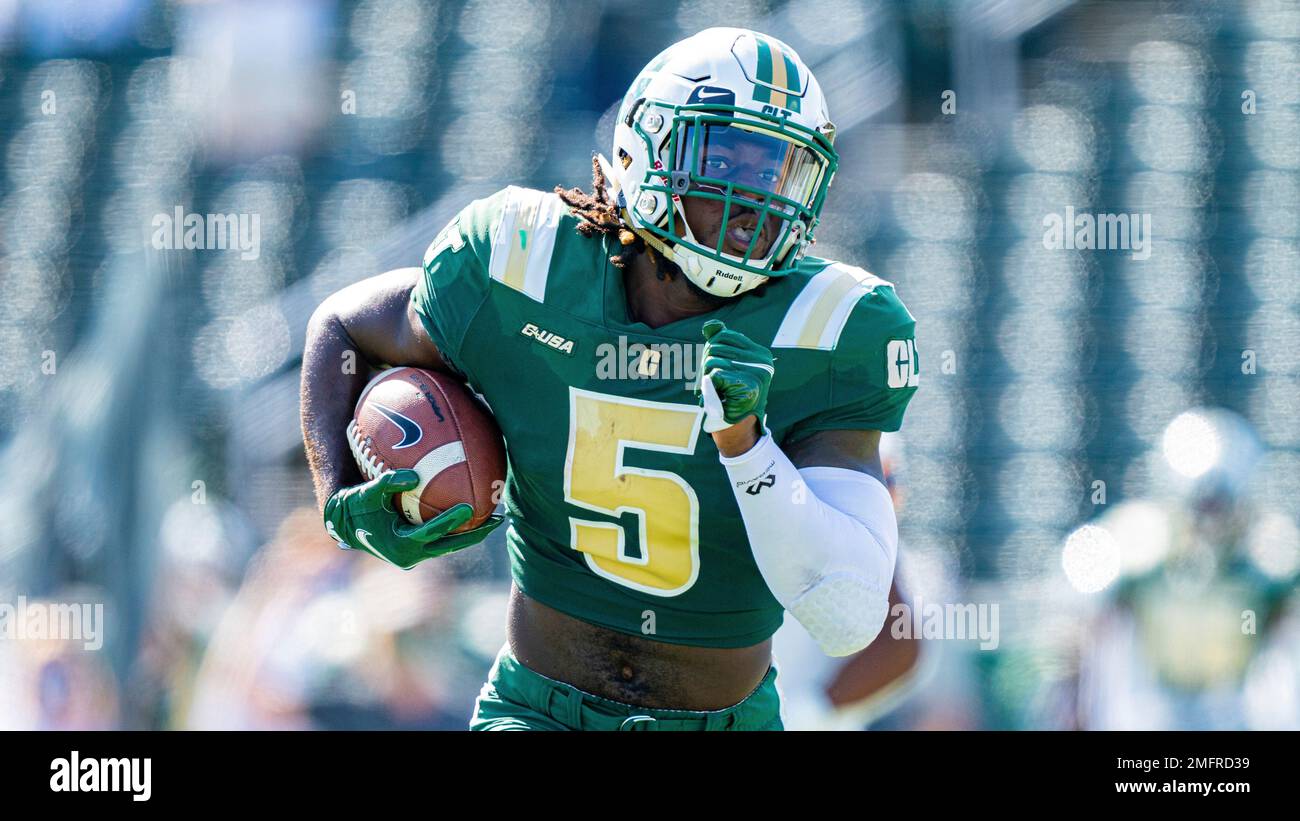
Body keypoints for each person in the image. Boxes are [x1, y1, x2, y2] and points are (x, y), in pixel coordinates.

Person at [300, 27, 919, 731]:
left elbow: (847, 614)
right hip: (538, 709)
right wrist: (338, 492)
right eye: (729, 158)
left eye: (779, 170)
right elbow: (343, 326)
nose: (756, 197)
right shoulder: (522, 265)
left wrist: (748, 448)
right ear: (642, 151)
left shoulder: (832, 329)